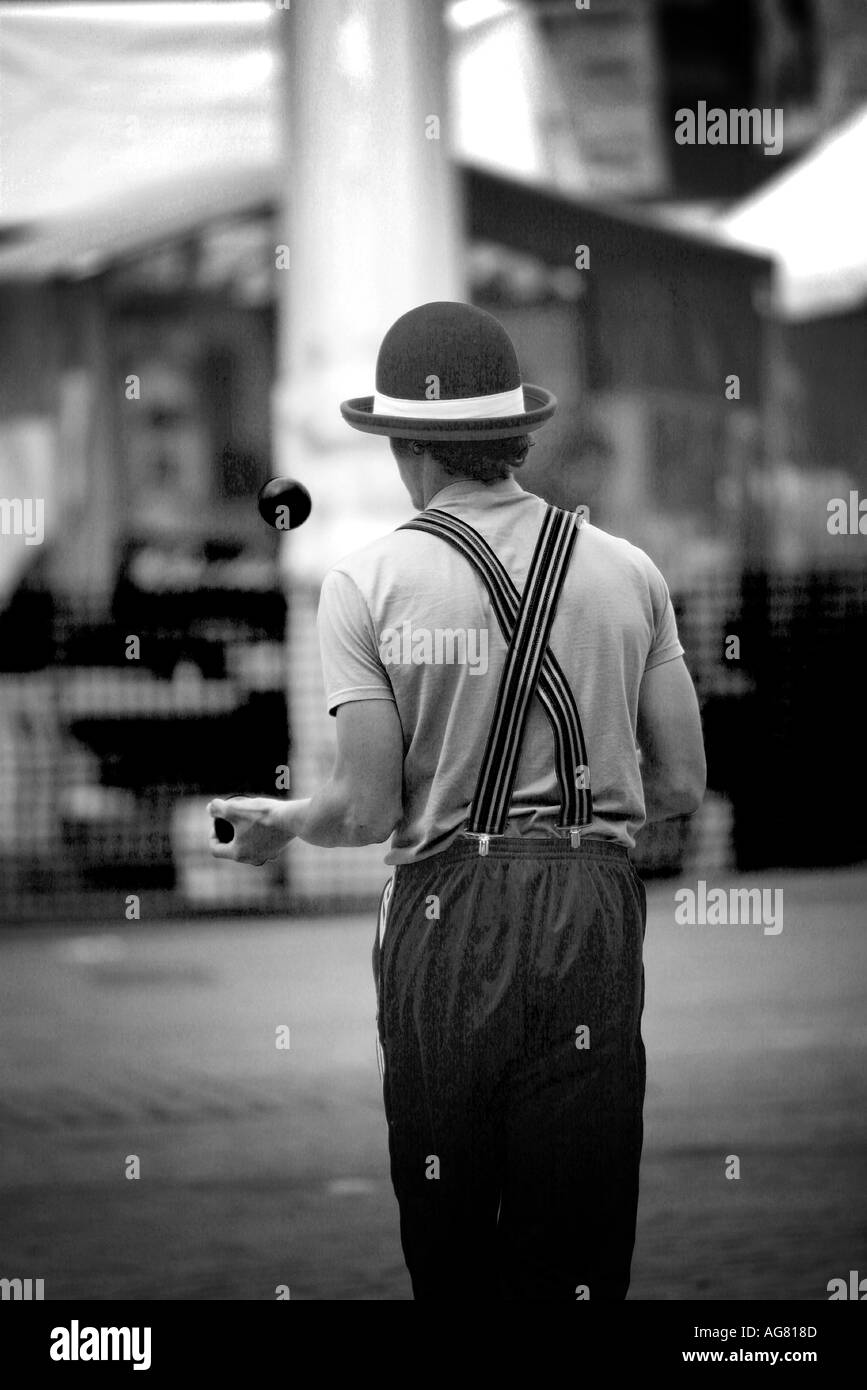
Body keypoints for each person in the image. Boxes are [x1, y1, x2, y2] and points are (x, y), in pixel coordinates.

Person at [208, 301, 706, 1301]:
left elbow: (364, 808)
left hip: (447, 913)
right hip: (592, 908)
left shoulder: (366, 583)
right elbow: (684, 783)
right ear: (516, 430)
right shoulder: (629, 572)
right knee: (578, 1243)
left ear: (404, 444)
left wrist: (286, 823)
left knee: (452, 1235)